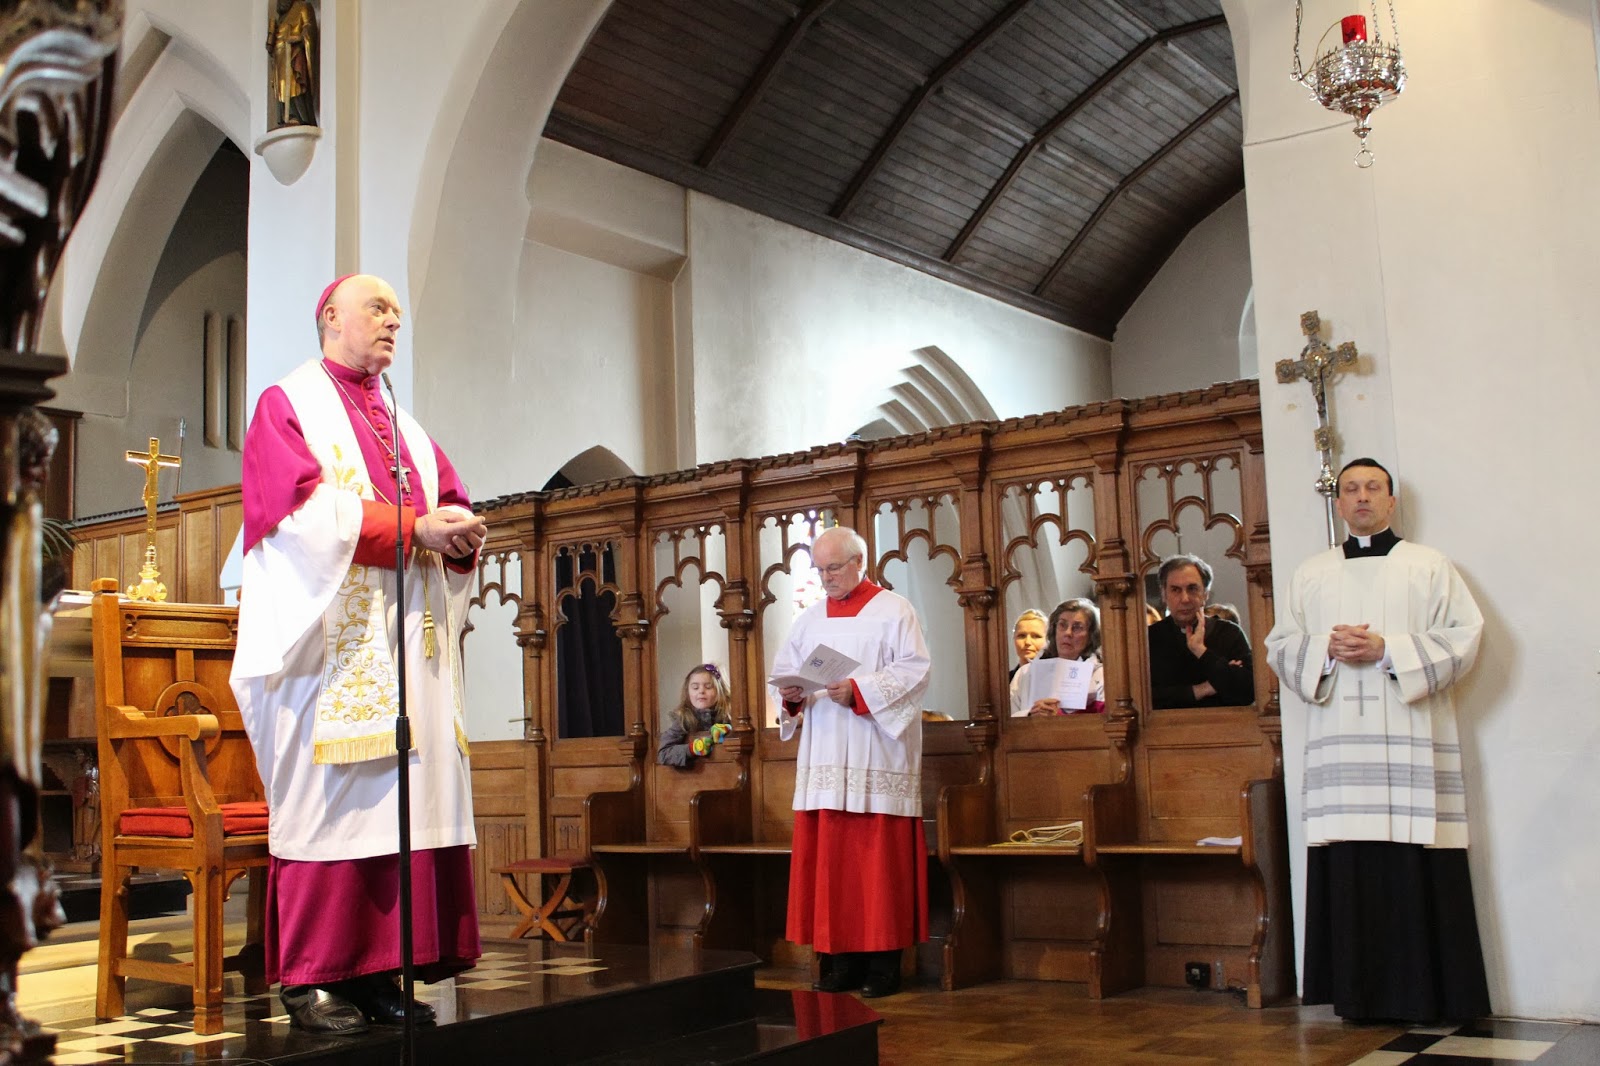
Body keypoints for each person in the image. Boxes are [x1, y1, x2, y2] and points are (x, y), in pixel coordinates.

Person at [230, 274, 488, 1035]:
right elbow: (296, 515)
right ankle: (310, 978)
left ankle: (380, 972)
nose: (392, 321)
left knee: (396, 807)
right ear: (331, 318)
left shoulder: (409, 429)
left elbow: (448, 499)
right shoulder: (288, 404)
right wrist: (413, 529)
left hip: (406, 646)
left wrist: (460, 538)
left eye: (397, 312)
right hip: (329, 654)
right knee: (335, 802)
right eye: (378, 308)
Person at [1266, 458, 1488, 1023]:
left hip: (1412, 742)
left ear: (1391, 500)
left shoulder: (1429, 566)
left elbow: (1465, 637)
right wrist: (1324, 648)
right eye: (1350, 489)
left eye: (1373, 487)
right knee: (1351, 865)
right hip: (1341, 746)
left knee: (1417, 859)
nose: (1361, 497)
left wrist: (1389, 650)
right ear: (1338, 503)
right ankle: (1357, 997)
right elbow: (1280, 645)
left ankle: (1429, 995)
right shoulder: (1312, 573)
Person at [772, 527, 931, 999]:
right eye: (820, 570)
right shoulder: (808, 619)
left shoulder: (894, 610)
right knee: (833, 866)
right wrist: (792, 695)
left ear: (859, 562)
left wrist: (859, 691)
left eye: (834, 568)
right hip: (826, 750)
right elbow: (787, 677)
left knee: (878, 866)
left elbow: (915, 670)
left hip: (876, 749)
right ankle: (839, 963)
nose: (826, 578)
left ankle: (883, 967)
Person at [1147, 554, 1253, 708]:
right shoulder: (1149, 638)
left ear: (1205, 594)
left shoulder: (1229, 633)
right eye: (1175, 590)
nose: (1185, 599)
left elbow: (1248, 692)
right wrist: (1203, 689)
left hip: (1224, 722)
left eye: (1192, 589)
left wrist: (1201, 651)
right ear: (1164, 595)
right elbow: (1144, 698)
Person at [1009, 598, 1106, 716]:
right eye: (1062, 625)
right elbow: (1008, 719)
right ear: (1054, 630)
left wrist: (1059, 718)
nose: (1068, 633)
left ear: (1091, 635)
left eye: (1077, 627)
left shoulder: (1101, 675)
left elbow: (1105, 720)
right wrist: (1031, 714)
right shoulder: (1025, 673)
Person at [657, 663, 733, 768]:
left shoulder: (729, 715)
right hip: (695, 774)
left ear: (720, 690)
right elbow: (663, 753)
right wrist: (692, 749)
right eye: (695, 687)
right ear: (688, 693)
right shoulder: (683, 719)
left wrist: (729, 731)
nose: (701, 691)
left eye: (708, 687)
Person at [1008, 608, 1047, 680]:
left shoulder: (1056, 678)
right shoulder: (1005, 680)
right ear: (1014, 639)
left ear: (1047, 640)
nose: (1027, 642)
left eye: (1036, 636)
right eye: (1022, 636)